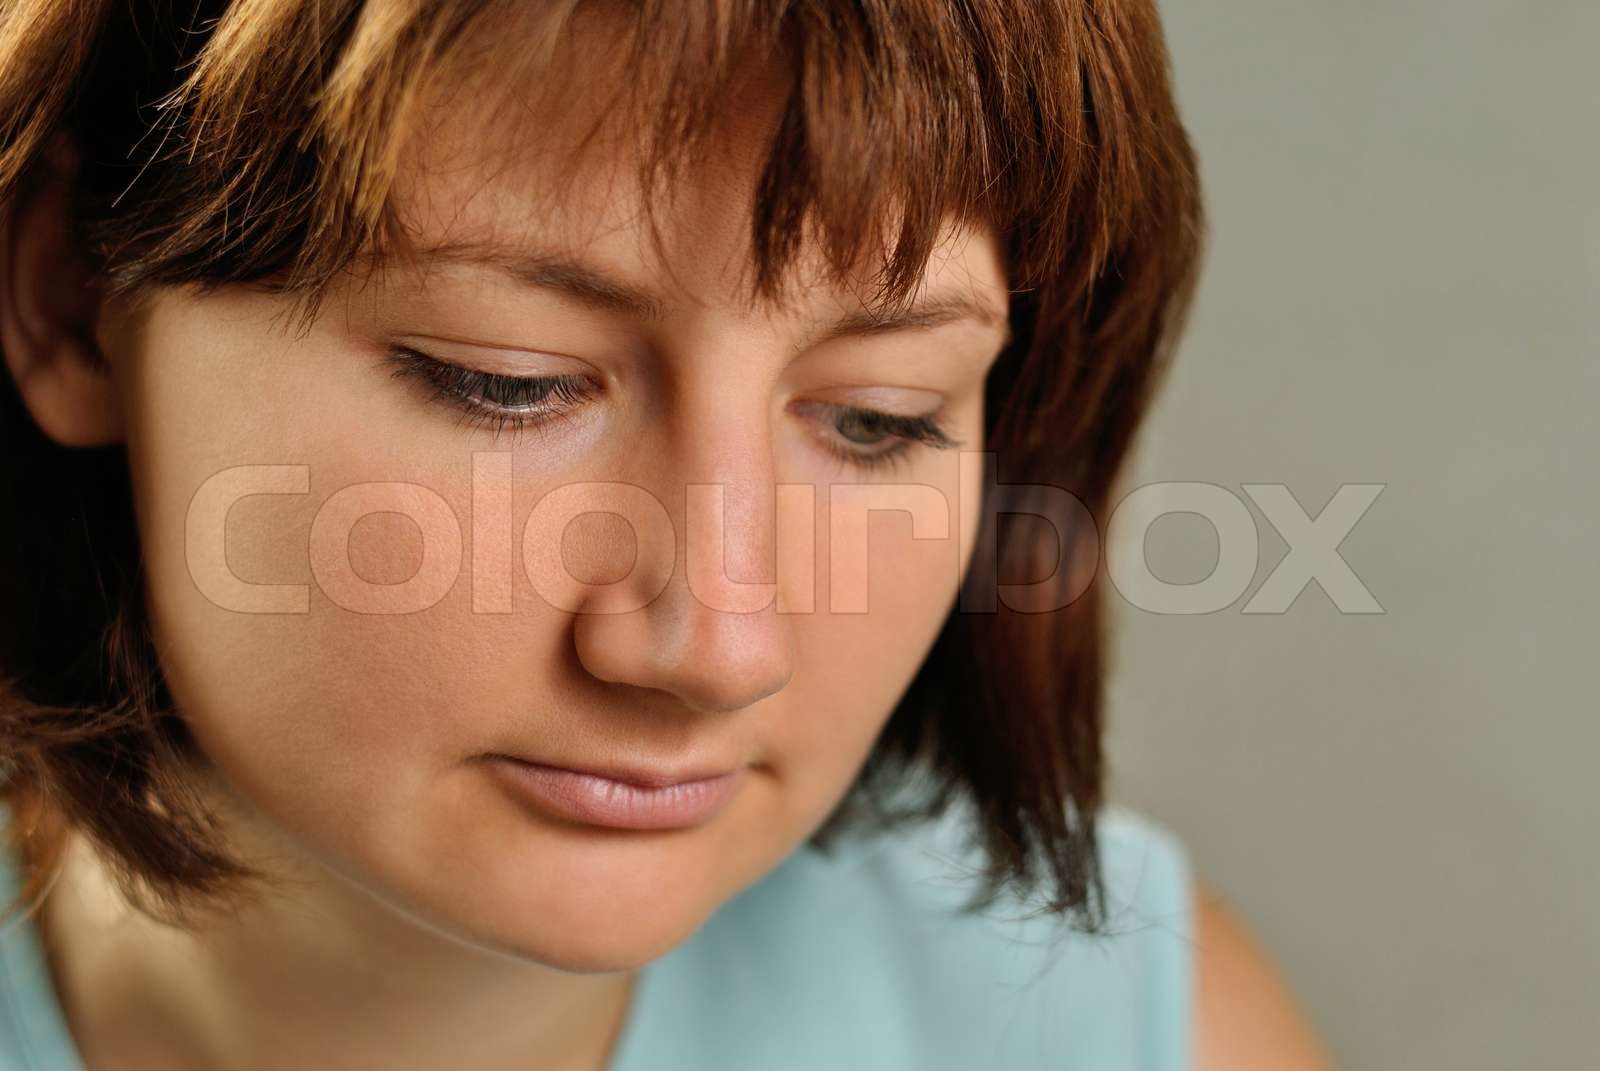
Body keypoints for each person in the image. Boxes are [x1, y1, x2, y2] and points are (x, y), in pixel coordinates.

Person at [0, 1, 1333, 1068]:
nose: (716, 647)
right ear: (66, 296)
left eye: (878, 419)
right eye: (506, 380)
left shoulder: (1128, 1032)